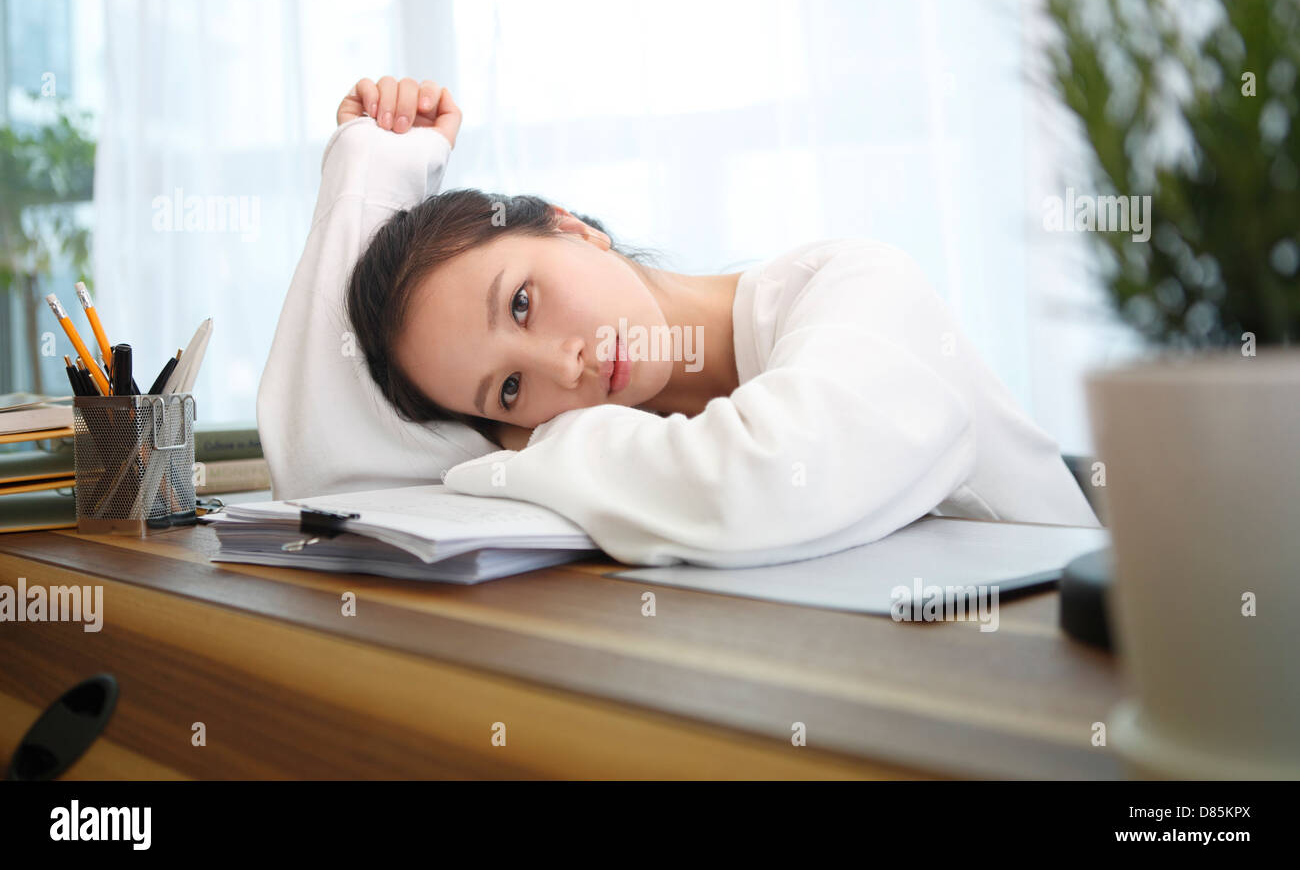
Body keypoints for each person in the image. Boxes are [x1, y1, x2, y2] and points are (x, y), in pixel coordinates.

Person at [258, 75, 1099, 568]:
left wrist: (542, 446)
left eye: (521, 301)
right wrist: (368, 169)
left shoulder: (853, 286)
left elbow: (758, 479)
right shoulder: (631, 438)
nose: (563, 365)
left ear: (570, 226)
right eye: (509, 389)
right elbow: (328, 476)